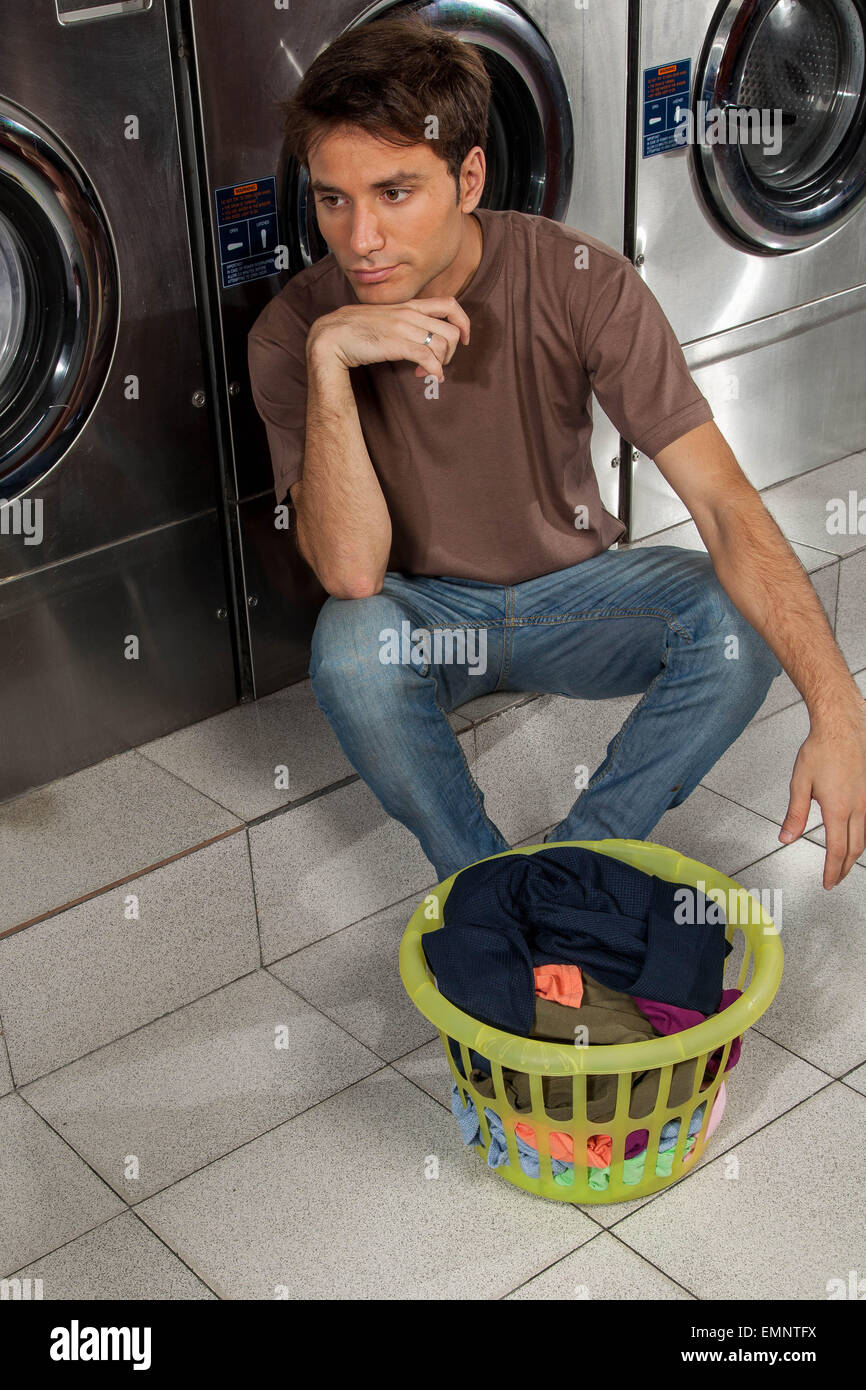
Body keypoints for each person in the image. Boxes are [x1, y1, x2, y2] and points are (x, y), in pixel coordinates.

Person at [248, 15, 866, 890]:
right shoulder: (293, 334)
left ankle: (581, 865)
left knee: (735, 619)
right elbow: (352, 577)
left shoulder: (583, 281)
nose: (360, 241)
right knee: (351, 645)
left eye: (394, 193)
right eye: (331, 199)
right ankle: (487, 889)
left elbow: (726, 506)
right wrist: (331, 360)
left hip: (575, 598)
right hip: (423, 614)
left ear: (469, 177)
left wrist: (839, 707)